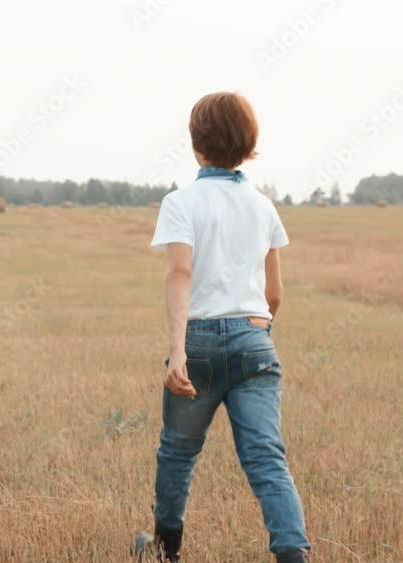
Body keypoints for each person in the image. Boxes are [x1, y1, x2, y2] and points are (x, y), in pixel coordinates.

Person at [136, 92, 311, 563]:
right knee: (267, 460)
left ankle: (166, 549)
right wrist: (254, 333)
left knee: (177, 453)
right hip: (256, 339)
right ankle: (293, 553)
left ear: (196, 145)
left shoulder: (181, 202)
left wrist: (178, 351)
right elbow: (274, 294)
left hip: (200, 343)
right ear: (249, 144)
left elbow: (180, 275)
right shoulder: (264, 206)